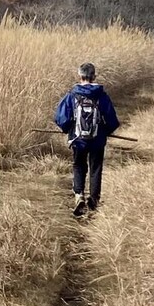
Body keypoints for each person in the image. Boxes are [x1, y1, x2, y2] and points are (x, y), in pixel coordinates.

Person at [54, 62, 120, 216]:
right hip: (97, 140)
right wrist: (105, 131)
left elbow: (60, 118)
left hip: (78, 139)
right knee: (96, 168)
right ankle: (94, 199)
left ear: (80, 76)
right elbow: (112, 120)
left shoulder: (72, 95)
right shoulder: (101, 95)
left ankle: (79, 196)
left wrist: (68, 129)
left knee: (78, 166)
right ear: (94, 76)